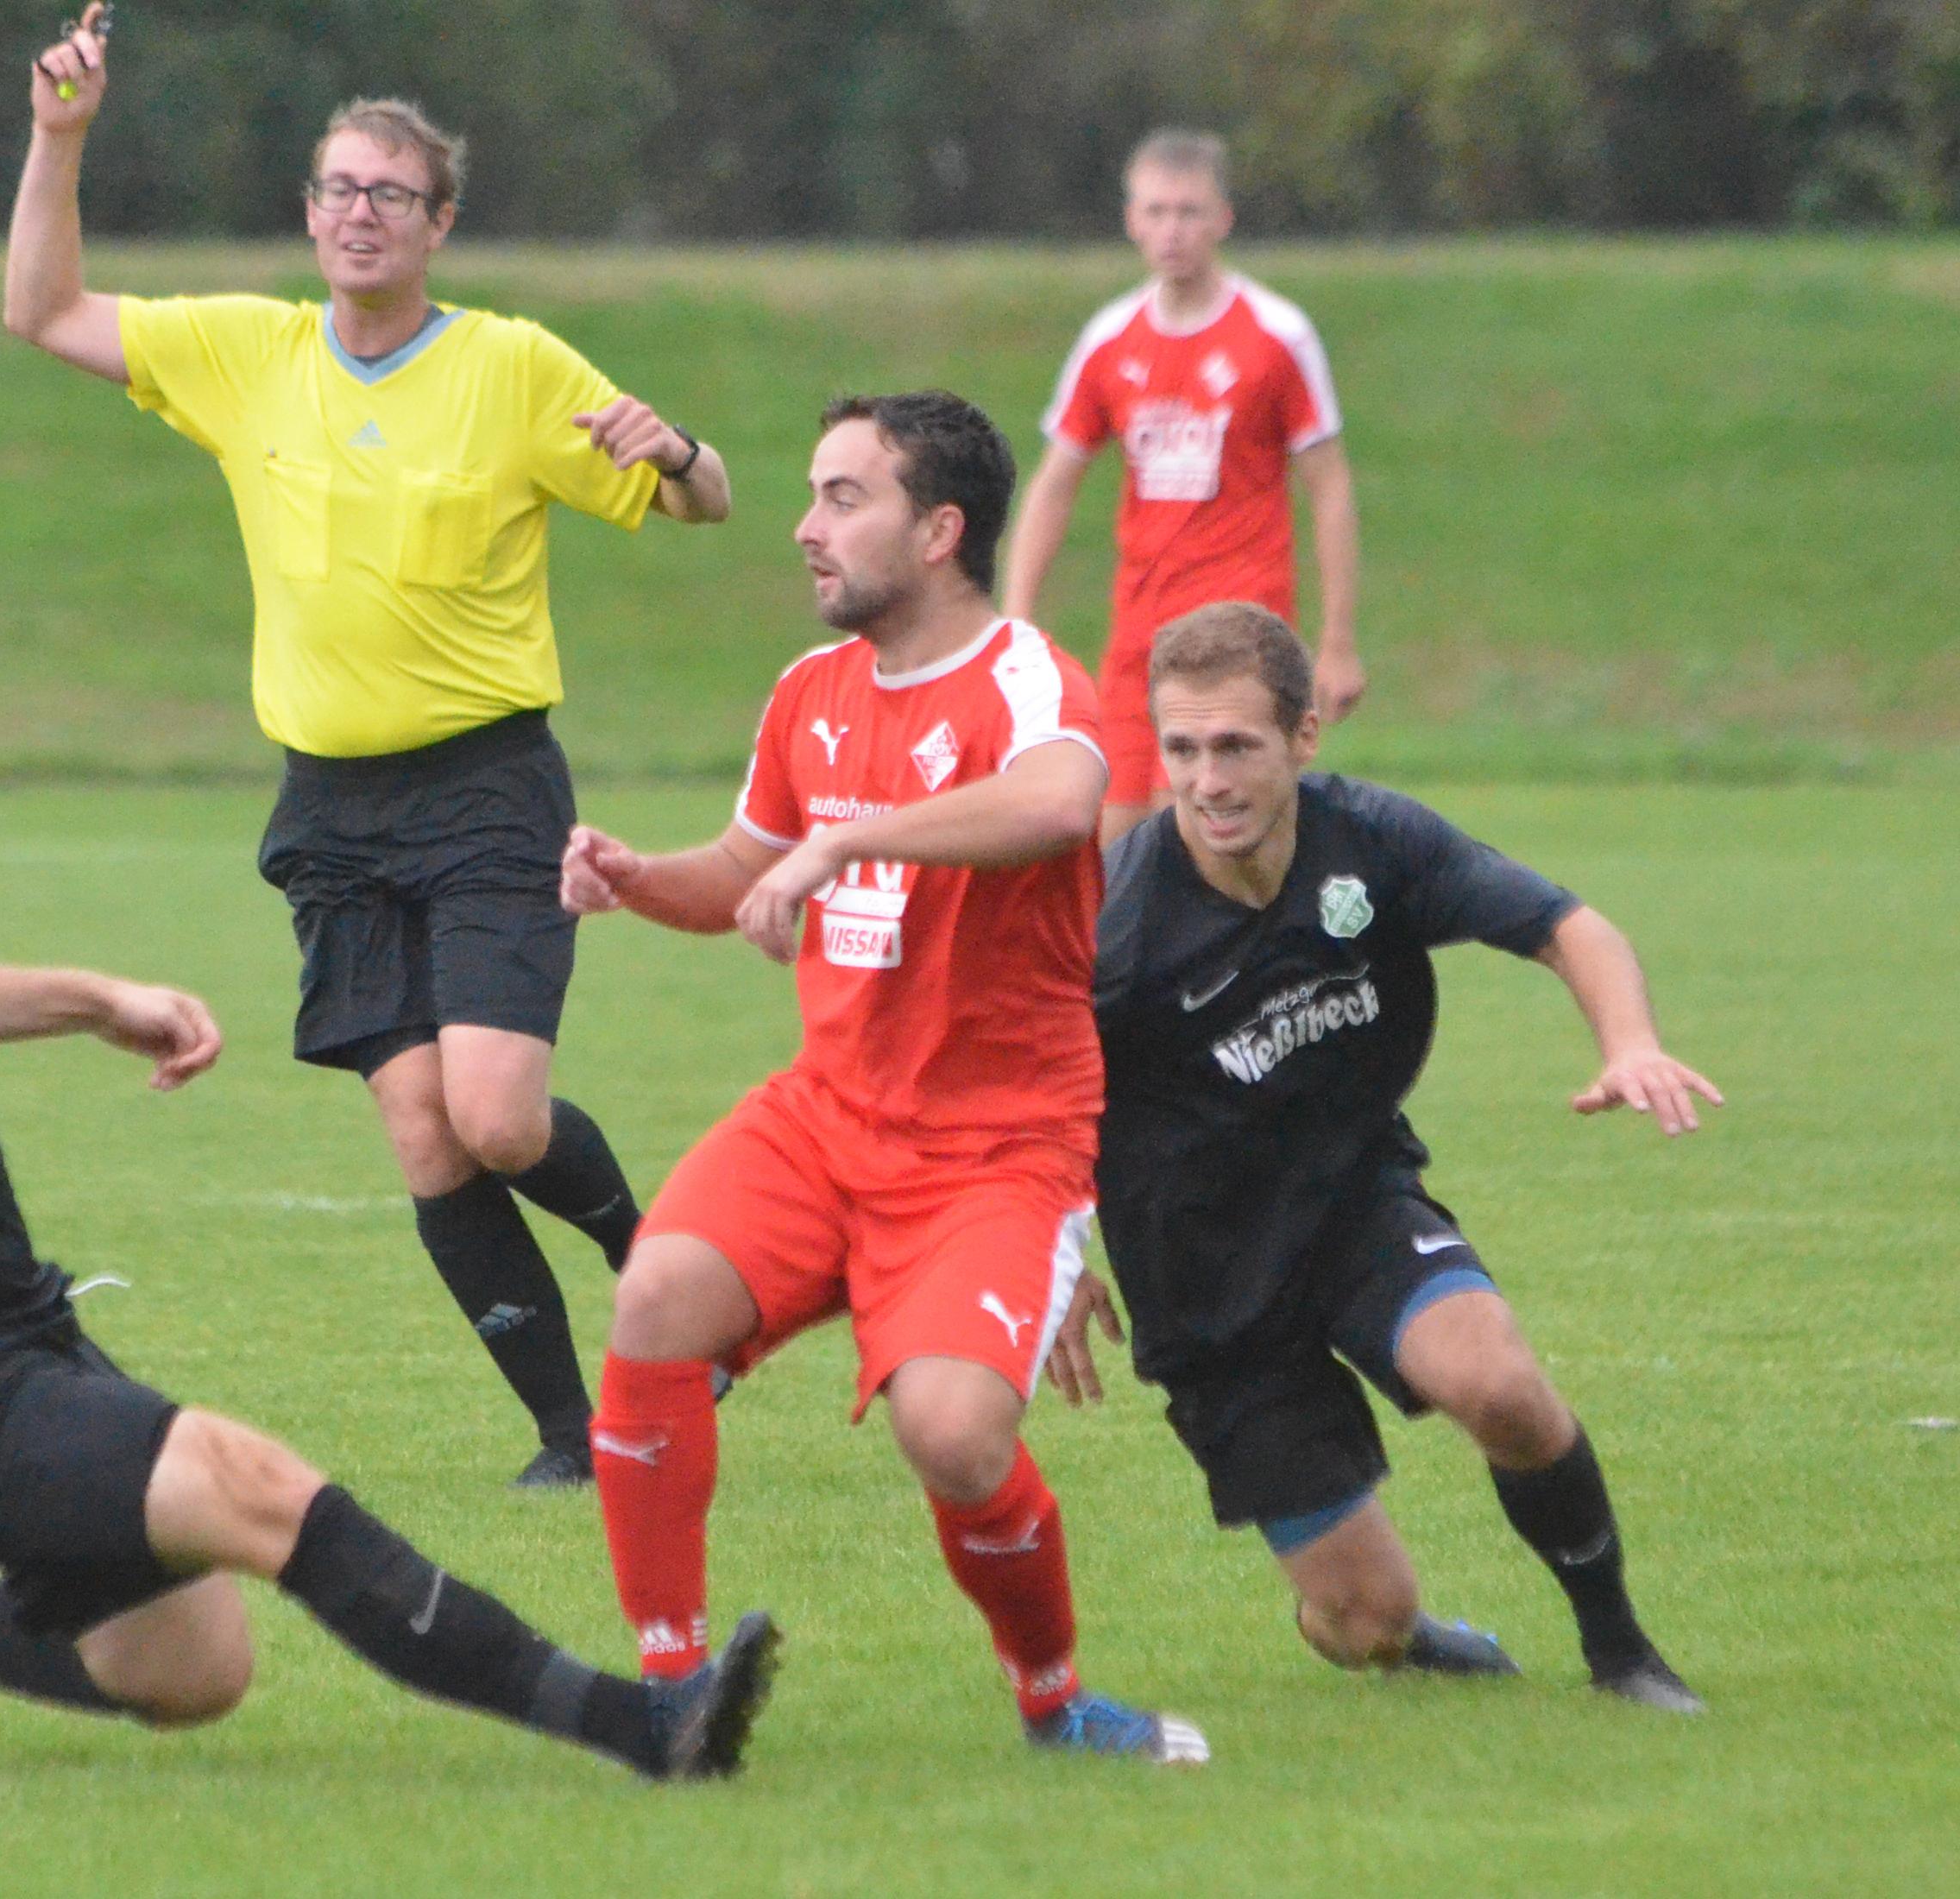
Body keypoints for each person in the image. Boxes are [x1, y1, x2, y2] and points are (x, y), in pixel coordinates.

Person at [0, 625, 778, 1778]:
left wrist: (89, 1000)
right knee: (258, 1488)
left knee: (191, 1669)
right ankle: (646, 1727)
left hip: (28, 1335)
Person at [6, 22, 734, 1487]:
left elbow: (706, 499)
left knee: (494, 1114)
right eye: (335, 188)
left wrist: (674, 454)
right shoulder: (247, 353)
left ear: (436, 223)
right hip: (331, 809)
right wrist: (61, 137)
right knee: (421, 1135)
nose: (356, 212)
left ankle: (672, 1277)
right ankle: (563, 1436)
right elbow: (43, 311)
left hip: (484, 789)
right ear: (308, 212)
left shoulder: (512, 369)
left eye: (387, 194)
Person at [563, 393, 1207, 1764]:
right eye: (810, 493)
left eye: (844, 498)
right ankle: (673, 1698)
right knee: (658, 1297)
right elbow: (743, 873)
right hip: (828, 1115)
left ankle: (1056, 1704)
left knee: (956, 1435)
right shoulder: (810, 692)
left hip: (999, 1149)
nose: (804, 527)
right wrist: (637, 880)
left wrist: (848, 847)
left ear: (941, 530)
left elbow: (1054, 803)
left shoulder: (1026, 678)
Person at [1049, 601, 1712, 1712]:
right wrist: (1049, 1245)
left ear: (1303, 737)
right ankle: (1404, 1631)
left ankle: (1621, 1654)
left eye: (1235, 746)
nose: (1205, 780)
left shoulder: (1373, 841)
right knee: (1364, 1626)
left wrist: (1630, 1041)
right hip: (1206, 1285)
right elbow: (1029, 1085)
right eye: (1179, 749)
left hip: (1352, 1201)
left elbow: (1568, 926)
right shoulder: (1118, 930)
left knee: (1497, 1384)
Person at [999, 129, 1364, 847]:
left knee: (1201, 834)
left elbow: (1329, 487)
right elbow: (1055, 483)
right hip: (1140, 632)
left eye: (1190, 212)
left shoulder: (1276, 335)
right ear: (1132, 220)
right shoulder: (1110, 338)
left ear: (1223, 219)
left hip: (1241, 626)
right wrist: (1017, 621)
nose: (1173, 230)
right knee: (1113, 841)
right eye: (1157, 211)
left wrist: (1339, 641)